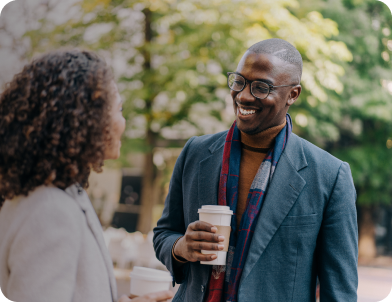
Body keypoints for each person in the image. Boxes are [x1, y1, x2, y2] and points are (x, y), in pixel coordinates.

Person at [153, 38, 358, 302]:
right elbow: (164, 234)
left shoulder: (330, 175)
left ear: (292, 94)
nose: (243, 95)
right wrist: (181, 248)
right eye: (239, 81)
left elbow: (339, 292)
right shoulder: (195, 152)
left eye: (261, 87)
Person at [0, 49, 173, 302]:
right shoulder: (50, 210)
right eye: (119, 109)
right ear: (85, 119)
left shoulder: (45, 196)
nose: (123, 122)